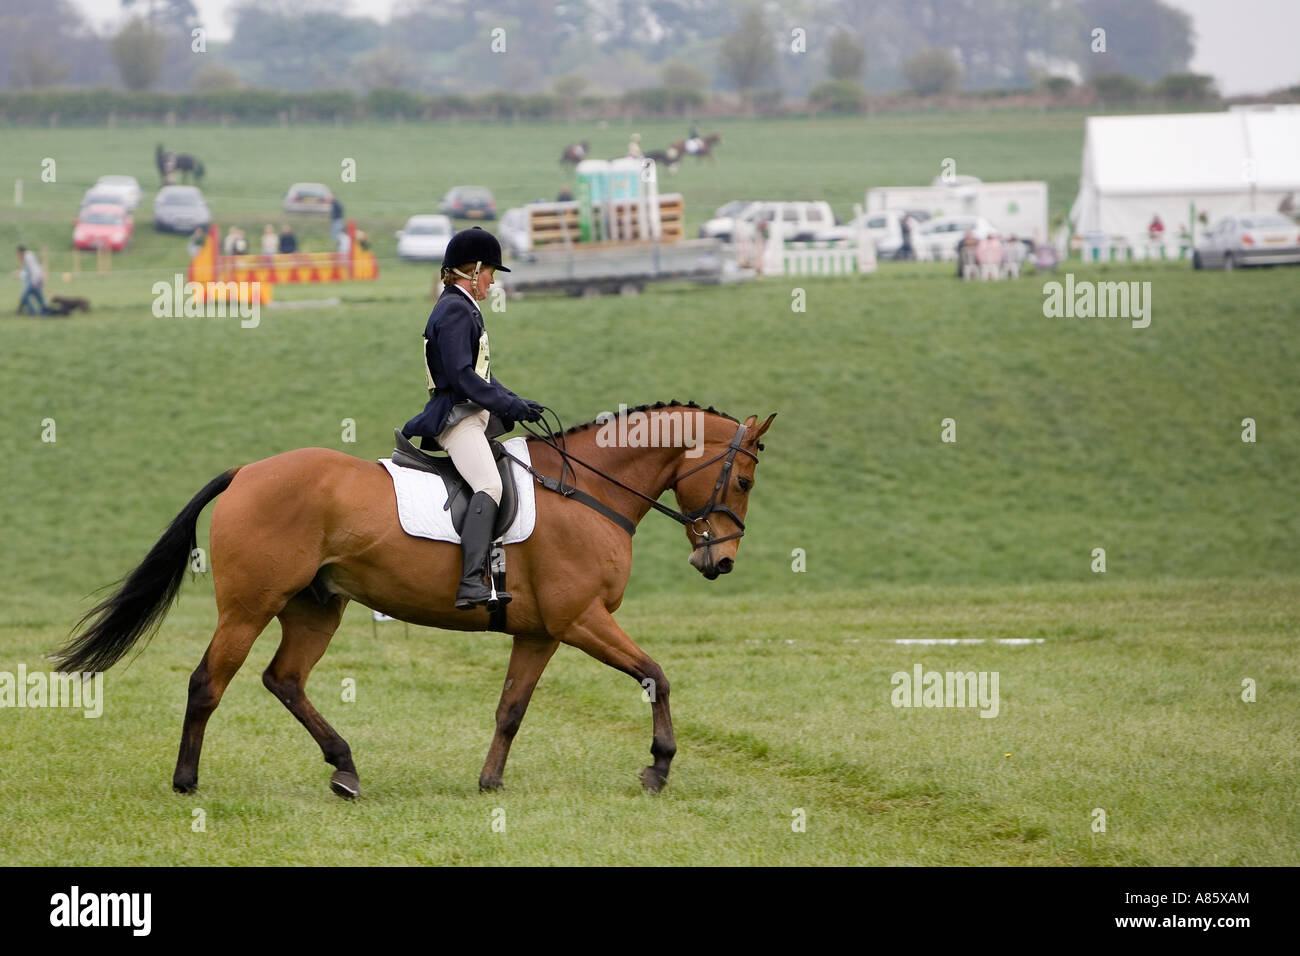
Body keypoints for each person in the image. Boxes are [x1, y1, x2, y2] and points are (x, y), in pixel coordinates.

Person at [401, 227, 545, 611]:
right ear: (474, 269)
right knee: (489, 485)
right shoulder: (453, 309)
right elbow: (463, 377)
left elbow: (482, 376)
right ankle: (469, 583)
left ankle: (496, 571)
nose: (492, 282)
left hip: (473, 414)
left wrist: (516, 401)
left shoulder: (463, 307)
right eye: (490, 273)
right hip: (457, 419)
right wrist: (506, 406)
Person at [16, 245, 50, 315]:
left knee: (25, 297)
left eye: (18, 253)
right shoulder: (27, 257)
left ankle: (33, 312)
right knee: (39, 297)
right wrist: (20, 274)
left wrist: (35, 282)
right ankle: (44, 311)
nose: (18, 255)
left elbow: (35, 270)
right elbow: (28, 272)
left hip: (35, 281)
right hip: (35, 280)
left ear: (21, 252)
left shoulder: (28, 258)